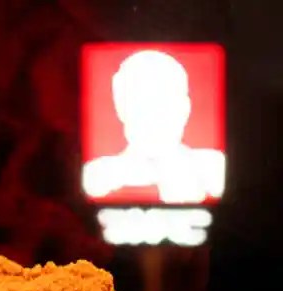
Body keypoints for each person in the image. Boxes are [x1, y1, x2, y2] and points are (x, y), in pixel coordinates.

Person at [82, 50, 225, 205]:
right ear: (120, 108)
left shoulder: (214, 169)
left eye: (164, 102)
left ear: (185, 108)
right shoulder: (96, 177)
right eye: (141, 103)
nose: (154, 117)